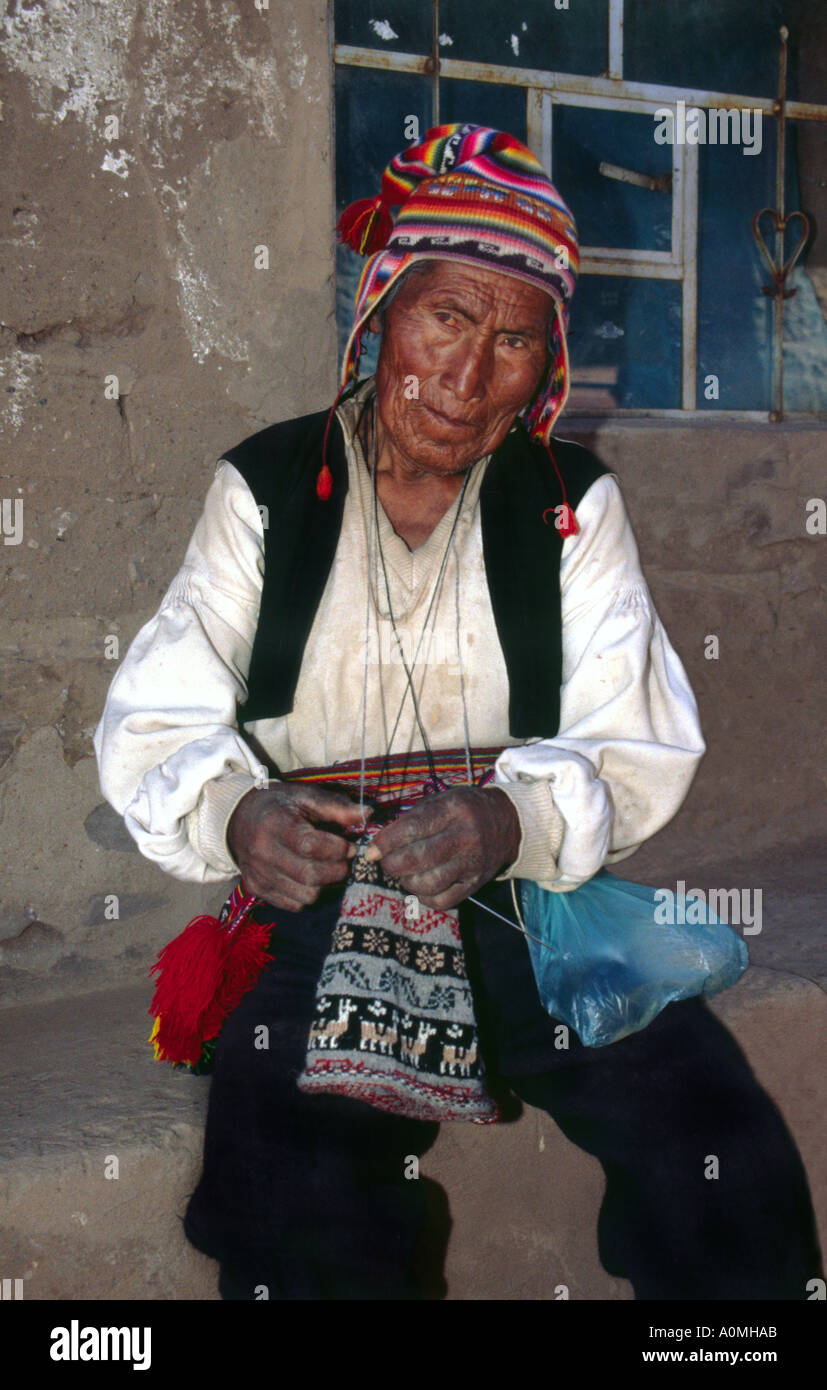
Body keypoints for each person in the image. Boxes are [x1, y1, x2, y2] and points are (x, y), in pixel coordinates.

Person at [94, 123, 821, 1300]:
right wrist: (235, 813)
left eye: (514, 339)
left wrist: (508, 821)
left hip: (520, 898)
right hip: (316, 898)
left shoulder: (569, 506)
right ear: (383, 307)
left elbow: (630, 733)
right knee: (292, 1196)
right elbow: (153, 718)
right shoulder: (266, 489)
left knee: (713, 1150)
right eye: (444, 319)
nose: (469, 374)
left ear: (549, 363)